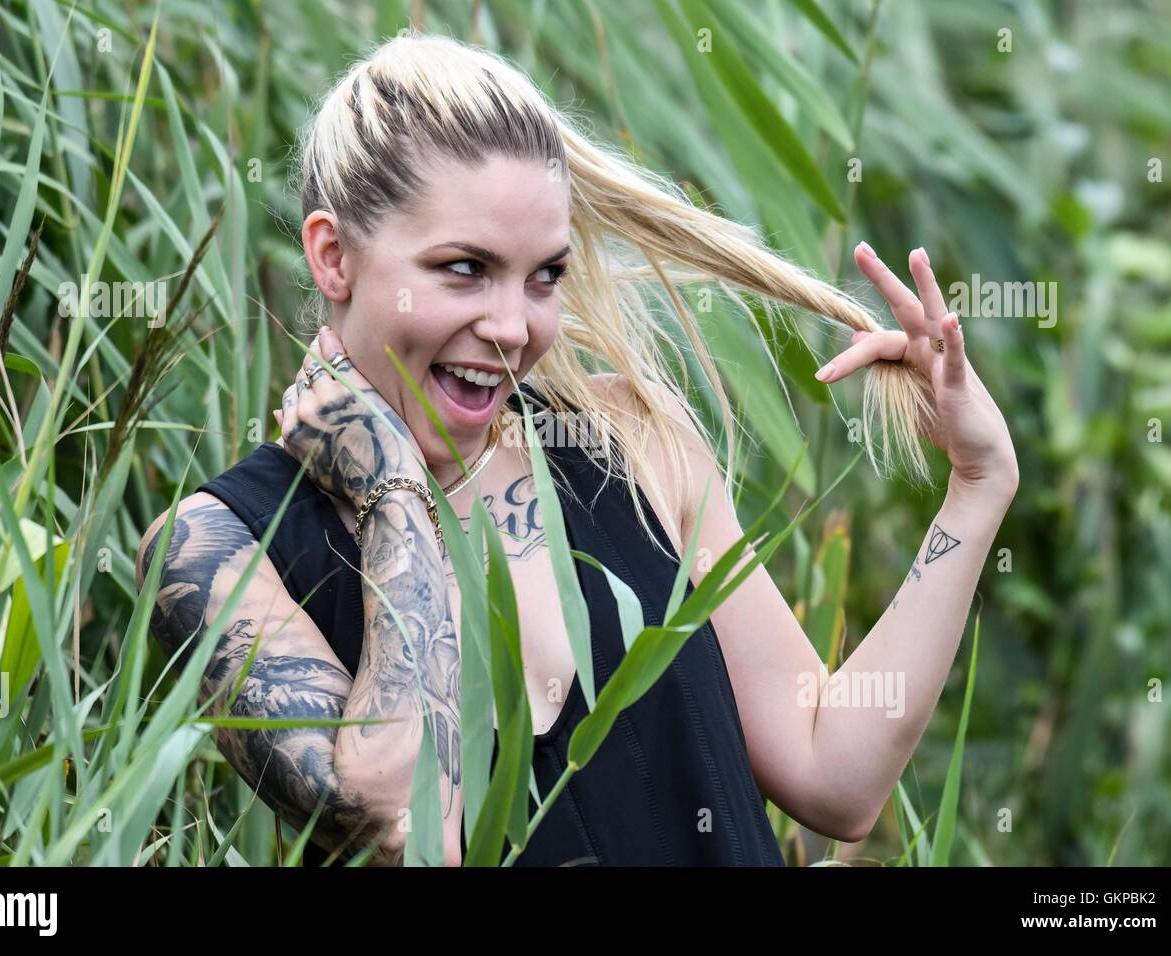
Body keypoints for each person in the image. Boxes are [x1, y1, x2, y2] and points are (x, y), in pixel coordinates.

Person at [134, 31, 1018, 866]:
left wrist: (977, 486)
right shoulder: (218, 551)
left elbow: (835, 772)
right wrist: (389, 493)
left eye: (544, 275)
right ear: (334, 258)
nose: (514, 328)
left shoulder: (630, 441)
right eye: (465, 269)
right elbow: (408, 829)